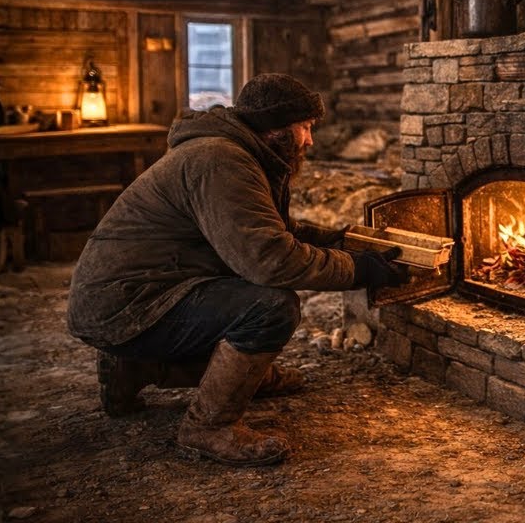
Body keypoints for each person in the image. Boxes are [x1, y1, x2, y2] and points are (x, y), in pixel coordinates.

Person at [67, 73, 405, 467]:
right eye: (306, 128)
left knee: (248, 291)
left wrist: (341, 241)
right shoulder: (220, 161)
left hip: (135, 297)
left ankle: (136, 367)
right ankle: (208, 427)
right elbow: (269, 259)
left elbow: (273, 231)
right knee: (269, 306)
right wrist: (356, 269)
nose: (310, 140)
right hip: (127, 305)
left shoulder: (239, 153)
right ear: (276, 129)